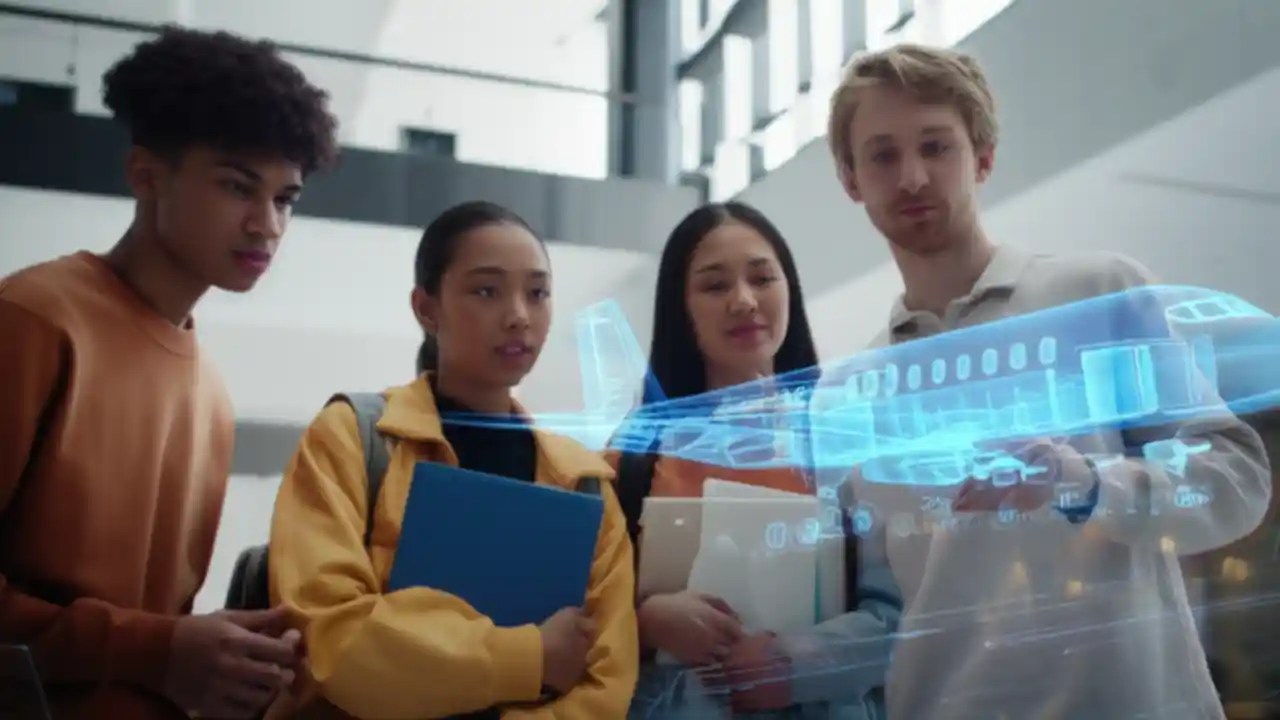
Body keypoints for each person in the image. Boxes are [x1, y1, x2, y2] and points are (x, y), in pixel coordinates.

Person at [823, 42, 1271, 718]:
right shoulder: (847, 390)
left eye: (936, 147)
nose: (912, 177)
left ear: (983, 157)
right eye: (883, 155)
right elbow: (878, 611)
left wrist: (1087, 485)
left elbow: (1237, 479)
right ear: (851, 179)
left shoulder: (1100, 294)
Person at [0, 26, 338, 720]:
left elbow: (156, 629)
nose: (267, 225)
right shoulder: (33, 321)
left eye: (285, 198)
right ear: (146, 174)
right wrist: (158, 651)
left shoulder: (210, 391)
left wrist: (226, 658)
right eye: (238, 186)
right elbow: (144, 642)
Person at [265, 201, 639, 719]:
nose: (519, 315)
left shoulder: (583, 482)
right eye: (486, 291)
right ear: (426, 308)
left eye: (537, 293)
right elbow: (332, 638)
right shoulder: (356, 438)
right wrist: (530, 655)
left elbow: (607, 685)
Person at [612, 202, 899, 719]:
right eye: (715, 285)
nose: (744, 301)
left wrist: (793, 664)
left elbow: (895, 619)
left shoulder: (844, 445)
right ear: (680, 308)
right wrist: (643, 623)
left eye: (763, 278)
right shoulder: (631, 458)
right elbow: (578, 618)